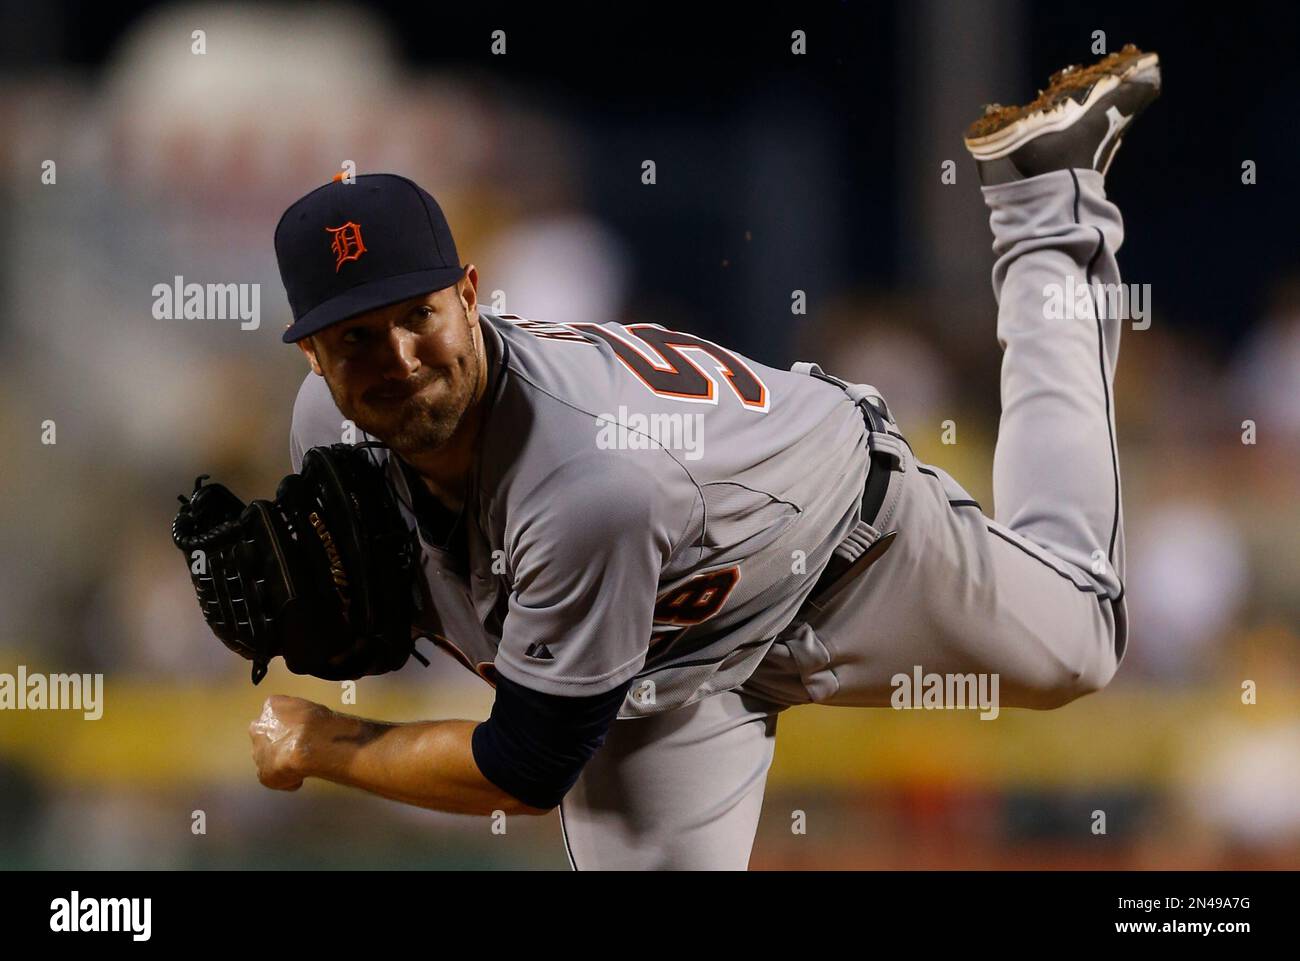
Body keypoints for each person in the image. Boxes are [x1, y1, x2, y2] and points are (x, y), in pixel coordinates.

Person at [249, 45, 1160, 869]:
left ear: (470, 295)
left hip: (846, 554)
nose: (401, 358)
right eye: (359, 338)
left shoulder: (585, 479)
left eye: (420, 316)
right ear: (312, 356)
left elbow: (521, 769)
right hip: (656, 670)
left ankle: (1046, 203)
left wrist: (325, 741)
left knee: (1081, 641)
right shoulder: (329, 435)